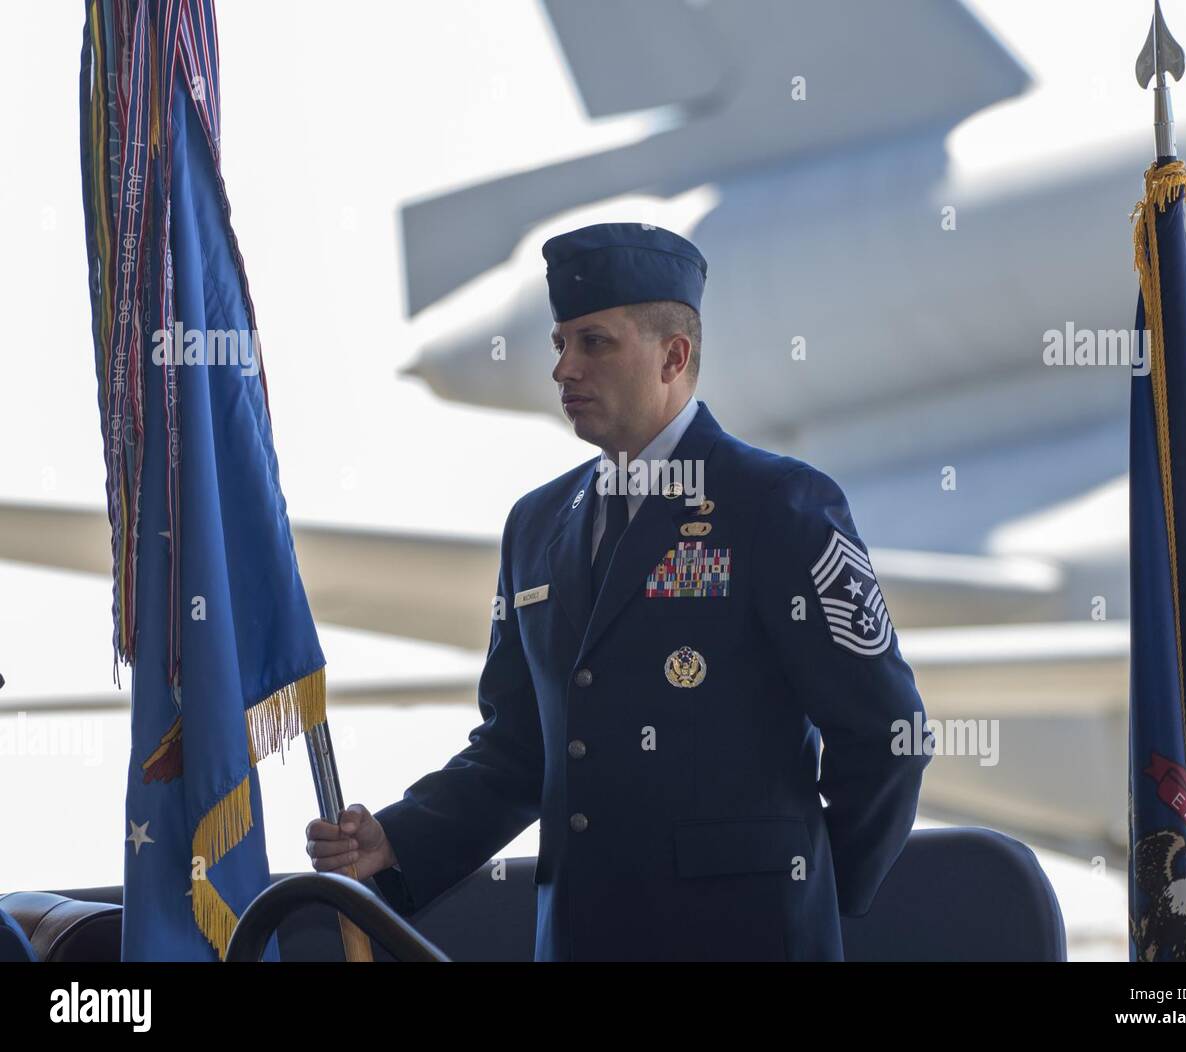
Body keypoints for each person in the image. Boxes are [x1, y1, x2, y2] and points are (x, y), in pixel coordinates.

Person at [305, 222, 931, 961]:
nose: (564, 368)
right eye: (558, 343)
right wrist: (396, 837)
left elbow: (889, 734)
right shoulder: (535, 525)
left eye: (595, 342)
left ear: (674, 356)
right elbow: (519, 749)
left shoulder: (776, 505)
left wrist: (818, 886)